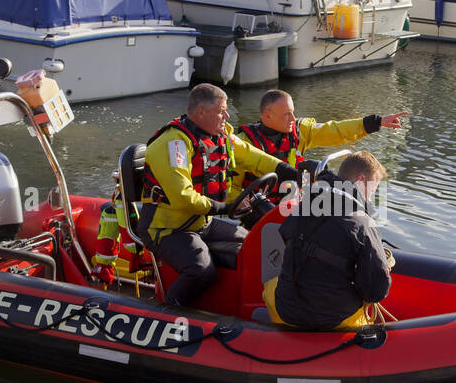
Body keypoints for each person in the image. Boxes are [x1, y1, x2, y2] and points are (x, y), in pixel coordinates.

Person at [140, 83, 314, 307]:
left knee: (251, 241)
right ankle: (170, 311)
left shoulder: (221, 136)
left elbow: (255, 157)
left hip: (201, 222)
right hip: (168, 228)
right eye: (221, 111)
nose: (227, 115)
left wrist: (289, 172)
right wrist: (226, 207)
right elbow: (183, 197)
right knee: (200, 269)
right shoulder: (173, 144)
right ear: (201, 112)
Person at [234, 90, 407, 225]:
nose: (293, 118)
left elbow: (334, 130)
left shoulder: (300, 131)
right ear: (267, 116)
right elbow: (231, 186)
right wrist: (245, 209)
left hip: (295, 207)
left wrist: (375, 122)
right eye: (286, 114)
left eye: (293, 112)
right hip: (258, 214)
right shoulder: (244, 143)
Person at [262, 151, 392, 331]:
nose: (370, 198)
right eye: (373, 189)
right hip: (331, 321)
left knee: (270, 286)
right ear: (361, 181)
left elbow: (286, 235)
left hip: (285, 311)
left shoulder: (306, 204)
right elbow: (376, 292)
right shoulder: (363, 223)